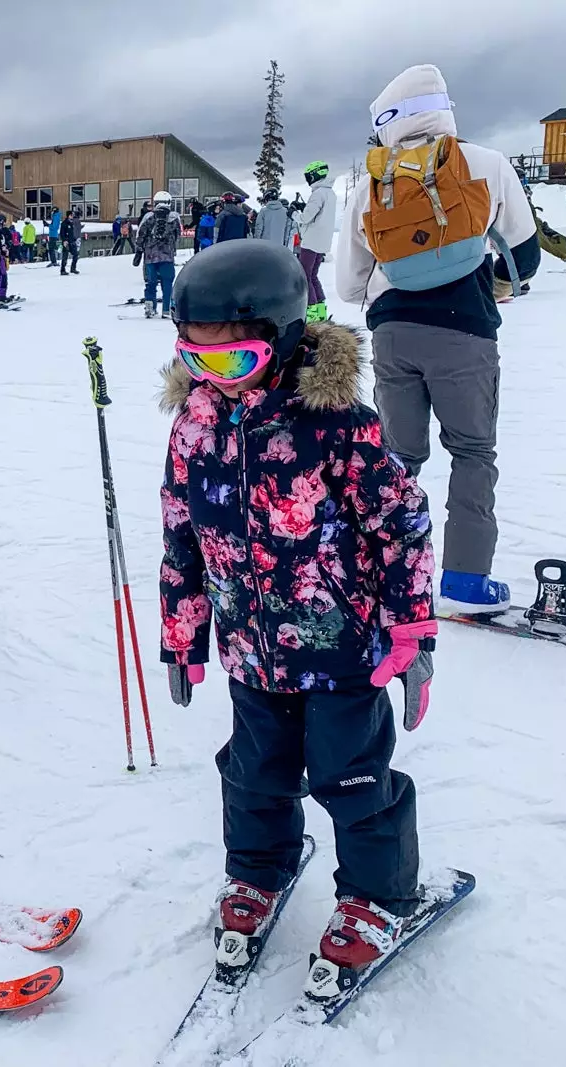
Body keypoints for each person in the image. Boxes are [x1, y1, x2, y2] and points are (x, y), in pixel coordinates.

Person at [160, 237, 438, 1005]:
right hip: (250, 649)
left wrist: (412, 629)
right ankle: (258, 868)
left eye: (234, 362)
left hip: (343, 649)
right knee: (254, 773)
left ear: (282, 339)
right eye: (197, 360)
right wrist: (184, 636)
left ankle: (379, 895)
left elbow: (401, 523)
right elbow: (181, 532)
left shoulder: (336, 420)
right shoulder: (193, 424)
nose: (215, 379)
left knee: (352, 777)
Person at [337, 63, 540, 611]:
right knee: (472, 452)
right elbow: (525, 254)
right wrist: (494, 284)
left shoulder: (370, 184)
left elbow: (347, 282)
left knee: (398, 457)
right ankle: (466, 579)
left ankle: (384, 566)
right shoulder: (487, 164)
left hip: (393, 334)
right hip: (465, 332)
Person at [296, 162, 337, 322]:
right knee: (313, 275)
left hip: (311, 241)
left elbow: (306, 218)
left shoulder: (318, 193)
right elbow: (316, 213)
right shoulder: (329, 193)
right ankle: (320, 308)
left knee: (305, 275)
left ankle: (312, 311)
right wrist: (304, 206)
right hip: (322, 241)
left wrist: (294, 213)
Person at [134, 190, 181, 317]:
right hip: (167, 256)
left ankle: (150, 307)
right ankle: (167, 309)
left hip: (150, 256)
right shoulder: (174, 218)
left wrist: (139, 249)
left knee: (151, 283)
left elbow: (140, 235)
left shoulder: (148, 217)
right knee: (167, 283)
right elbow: (178, 236)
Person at [59, 208, 83, 275]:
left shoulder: (72, 223)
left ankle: (73, 268)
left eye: (73, 215)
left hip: (72, 242)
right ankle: (62, 270)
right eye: (71, 215)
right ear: (68, 216)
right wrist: (64, 240)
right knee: (65, 257)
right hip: (66, 242)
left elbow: (72, 232)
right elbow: (62, 233)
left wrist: (74, 239)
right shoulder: (64, 223)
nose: (72, 216)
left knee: (76, 255)